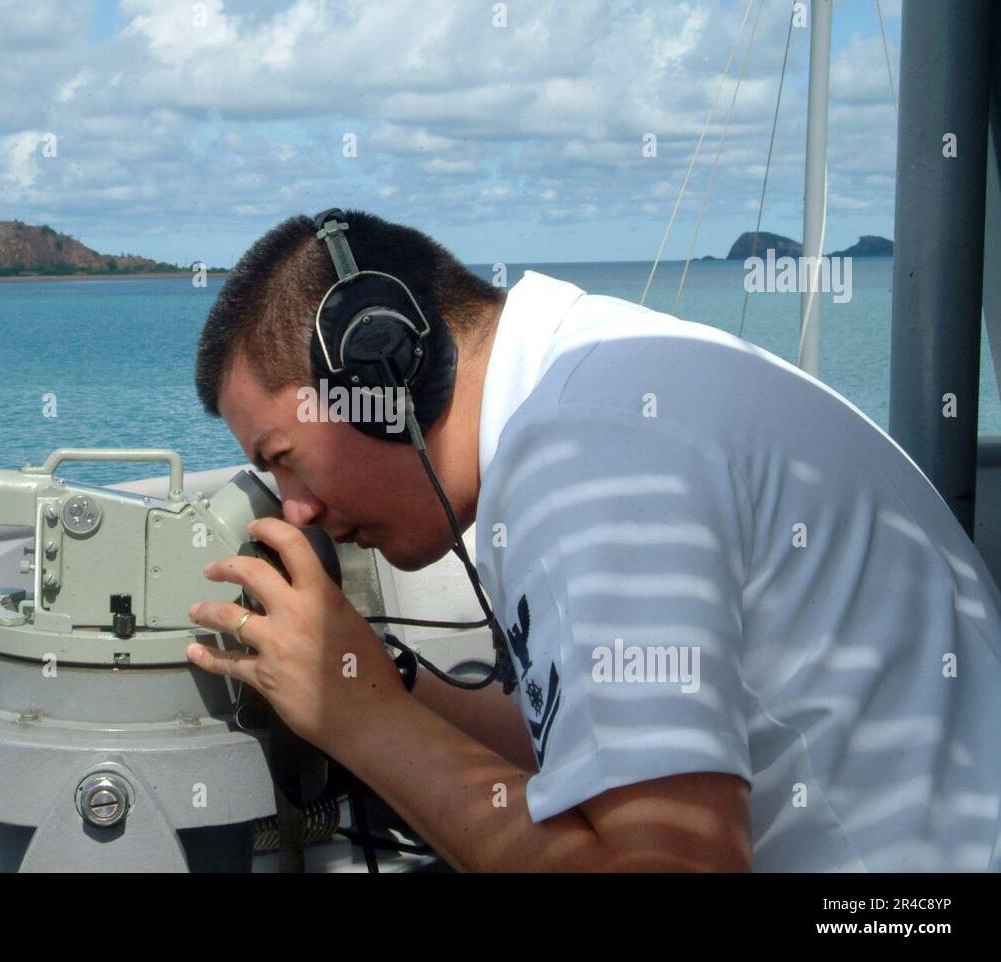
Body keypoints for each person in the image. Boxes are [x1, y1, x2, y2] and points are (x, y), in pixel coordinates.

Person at [186, 208, 1001, 872]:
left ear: (378, 371)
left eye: (283, 459)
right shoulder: (596, 387)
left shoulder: (586, 453)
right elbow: (589, 734)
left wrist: (357, 721)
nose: (295, 511)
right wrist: (371, 675)